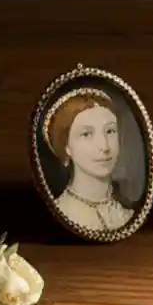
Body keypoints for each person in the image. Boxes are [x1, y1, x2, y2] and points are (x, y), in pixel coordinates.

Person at [44, 88, 136, 232]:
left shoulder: (126, 215)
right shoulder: (63, 213)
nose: (104, 146)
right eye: (87, 134)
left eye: (110, 131)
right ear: (67, 146)